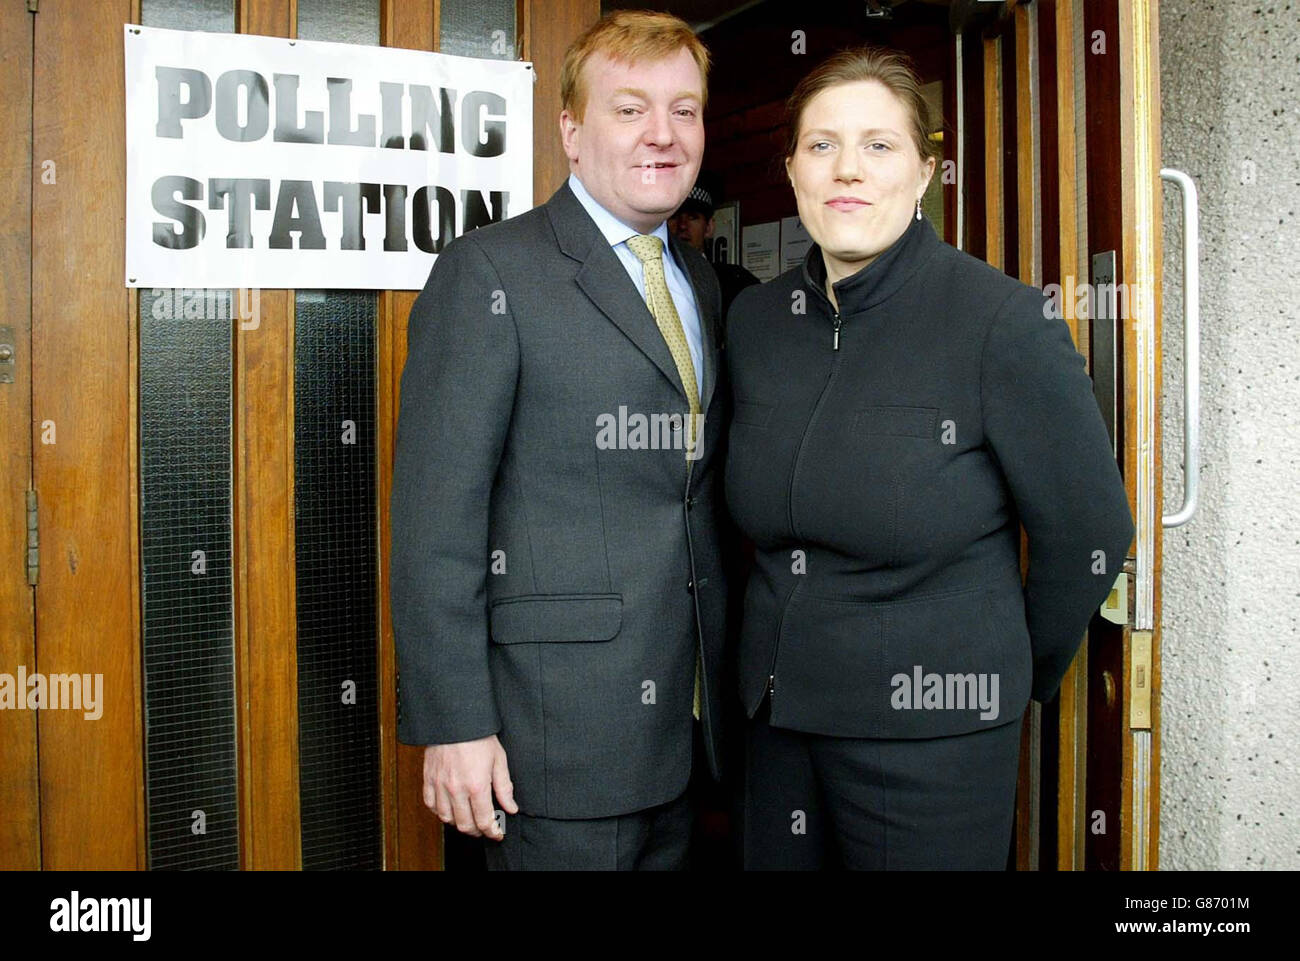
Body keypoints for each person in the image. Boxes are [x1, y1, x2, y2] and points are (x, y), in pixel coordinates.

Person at [723, 46, 1135, 870]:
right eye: (822, 144)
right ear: (794, 169)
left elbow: (1089, 531)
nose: (849, 169)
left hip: (931, 743)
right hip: (776, 725)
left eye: (880, 145)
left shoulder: (999, 322)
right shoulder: (757, 323)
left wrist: (1000, 673)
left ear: (925, 173)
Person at [389, 10, 729, 871]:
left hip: (686, 737)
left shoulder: (700, 281)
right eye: (630, 109)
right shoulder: (490, 272)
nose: (663, 134)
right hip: (548, 749)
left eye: (684, 110)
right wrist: (455, 724)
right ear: (572, 132)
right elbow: (436, 521)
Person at [668, 173, 760, 339]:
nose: (682, 226)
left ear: (709, 227)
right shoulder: (652, 280)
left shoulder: (737, 282)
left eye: (693, 217)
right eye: (674, 217)